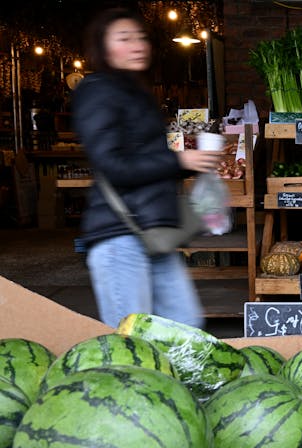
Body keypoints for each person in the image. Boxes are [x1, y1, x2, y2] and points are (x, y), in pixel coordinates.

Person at [73, 8, 223, 328]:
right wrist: (179, 160)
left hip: (154, 234)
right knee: (134, 340)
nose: (137, 45)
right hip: (119, 236)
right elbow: (112, 165)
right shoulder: (96, 91)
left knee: (185, 327)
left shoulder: (135, 93)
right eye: (124, 38)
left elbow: (146, 159)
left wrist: (191, 164)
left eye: (140, 38)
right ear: (103, 47)